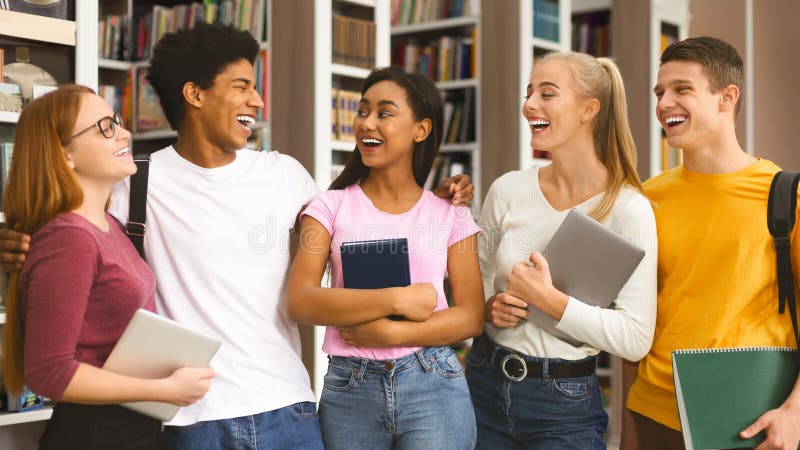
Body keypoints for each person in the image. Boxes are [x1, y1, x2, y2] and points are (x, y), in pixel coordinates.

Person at [0, 23, 474, 450]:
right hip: (190, 417)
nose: (257, 101)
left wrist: (439, 196)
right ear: (195, 94)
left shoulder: (285, 175)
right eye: (242, 86)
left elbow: (366, 214)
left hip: (289, 408)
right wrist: (12, 244)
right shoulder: (132, 181)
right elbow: (62, 231)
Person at [2, 85, 213, 450]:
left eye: (116, 121)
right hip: (96, 435)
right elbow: (49, 372)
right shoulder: (69, 237)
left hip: (130, 431)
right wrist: (162, 390)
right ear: (64, 155)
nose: (124, 132)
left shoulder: (109, 225)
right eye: (104, 127)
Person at [286, 66, 484, 450]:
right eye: (363, 111)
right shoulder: (328, 207)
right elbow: (301, 301)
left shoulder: (451, 212)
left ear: (420, 130)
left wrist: (395, 333)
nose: (367, 123)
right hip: (350, 389)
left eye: (384, 113)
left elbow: (472, 316)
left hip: (434, 384)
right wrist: (397, 299)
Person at [468, 51, 658, 449]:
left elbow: (635, 337)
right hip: (482, 386)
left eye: (547, 94)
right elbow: (475, 285)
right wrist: (489, 306)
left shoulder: (628, 209)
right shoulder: (507, 189)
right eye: (529, 92)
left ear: (590, 109)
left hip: (563, 409)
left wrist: (550, 301)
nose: (529, 105)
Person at [623, 36, 800, 450]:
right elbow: (634, 319)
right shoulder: (646, 199)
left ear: (727, 98)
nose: (665, 103)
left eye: (682, 89)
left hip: (749, 418)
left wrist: (794, 414)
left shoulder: (784, 195)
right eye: (660, 92)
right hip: (653, 413)